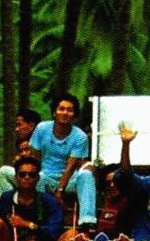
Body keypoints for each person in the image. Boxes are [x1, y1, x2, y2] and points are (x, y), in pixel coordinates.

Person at [27, 93, 98, 231]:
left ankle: (87, 220)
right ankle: (36, 218)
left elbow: (71, 166)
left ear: (74, 115)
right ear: (54, 112)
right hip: (45, 176)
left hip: (69, 180)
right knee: (31, 176)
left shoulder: (80, 136)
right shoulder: (42, 128)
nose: (65, 113)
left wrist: (60, 191)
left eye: (69, 110)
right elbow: (34, 158)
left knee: (86, 175)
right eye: (61, 109)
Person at [0, 155, 64, 241]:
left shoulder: (49, 202)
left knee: (72, 234)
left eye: (32, 175)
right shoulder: (6, 198)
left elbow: (54, 232)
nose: (27, 178)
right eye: (22, 174)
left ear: (38, 178)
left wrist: (28, 224)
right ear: (16, 178)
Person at [0, 107, 43, 201]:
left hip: (43, 178)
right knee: (4, 172)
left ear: (31, 126)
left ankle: (6, 209)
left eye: (19, 125)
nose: (16, 129)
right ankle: (8, 207)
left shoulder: (43, 141)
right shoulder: (23, 141)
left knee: (3, 172)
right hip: (28, 178)